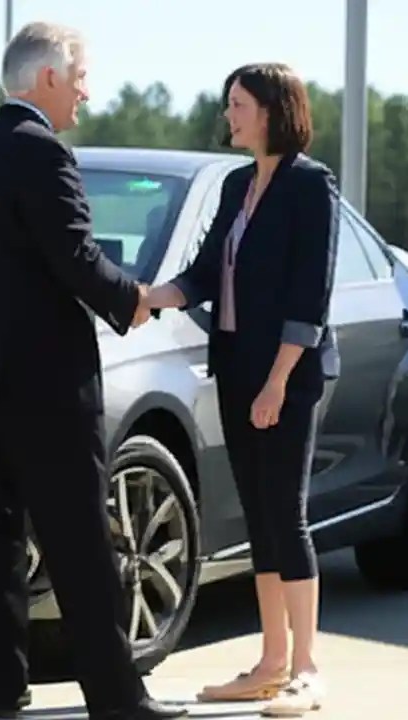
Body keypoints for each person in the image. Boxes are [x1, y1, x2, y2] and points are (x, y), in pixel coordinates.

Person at [0, 21, 186, 720]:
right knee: (80, 543)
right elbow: (74, 255)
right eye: (80, 77)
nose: (86, 92)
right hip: (46, 384)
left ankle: (0, 692)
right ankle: (117, 699)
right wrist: (136, 300)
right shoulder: (42, 151)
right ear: (48, 76)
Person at [144, 62, 339, 717]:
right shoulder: (236, 184)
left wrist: (278, 383)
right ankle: (271, 662)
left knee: (285, 512)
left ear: (271, 111)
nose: (227, 115)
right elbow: (203, 274)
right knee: (259, 514)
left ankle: (307, 669)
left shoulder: (310, 186)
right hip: (235, 369)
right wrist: (144, 298)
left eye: (237, 104)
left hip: (287, 375)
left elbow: (309, 296)